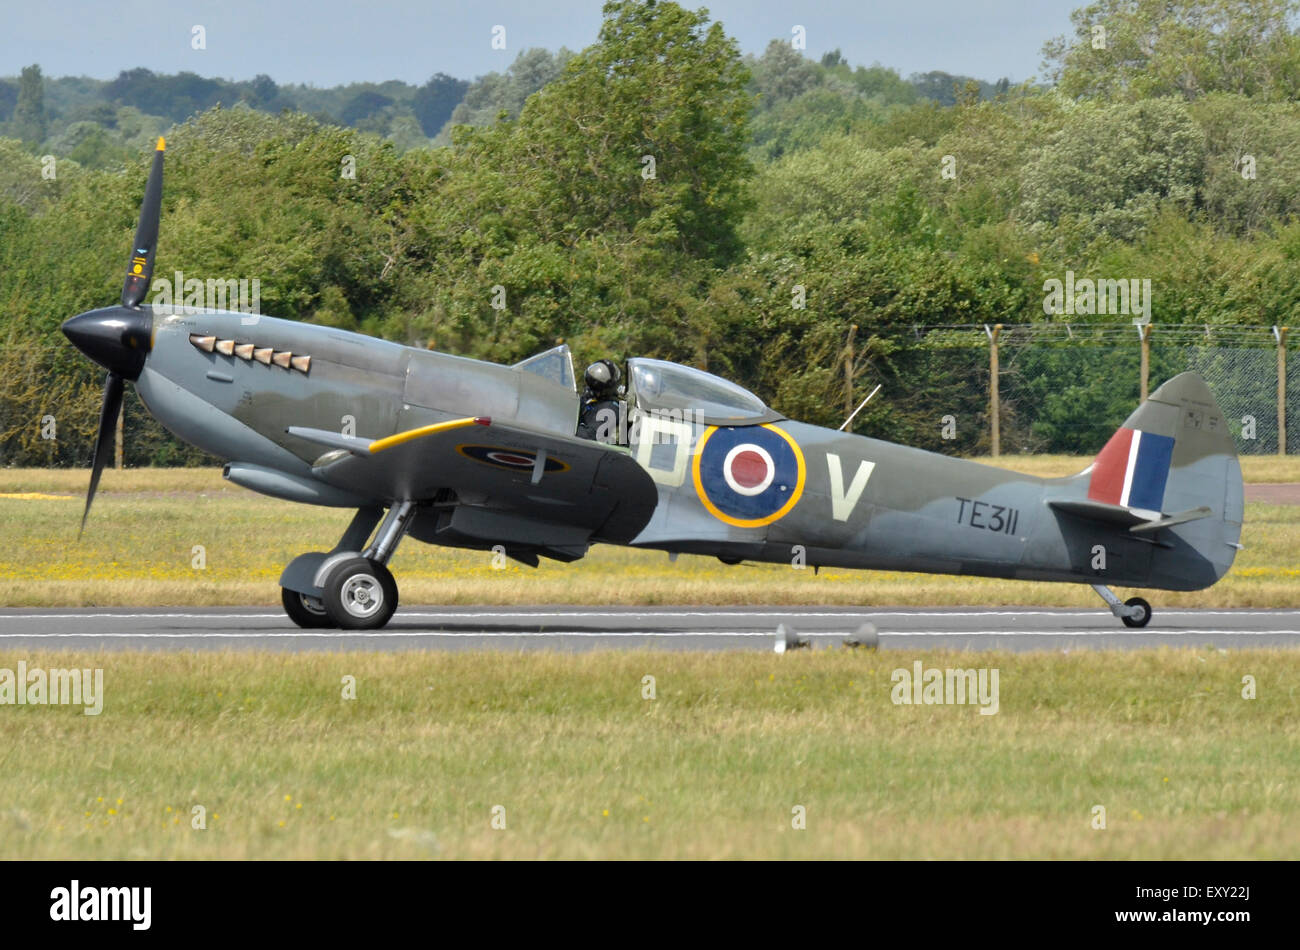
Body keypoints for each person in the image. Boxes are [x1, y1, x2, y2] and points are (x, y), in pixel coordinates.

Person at [577, 358, 623, 442]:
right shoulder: (590, 398)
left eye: (594, 389)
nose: (589, 390)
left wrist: (567, 428)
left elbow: (590, 435)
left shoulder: (611, 408)